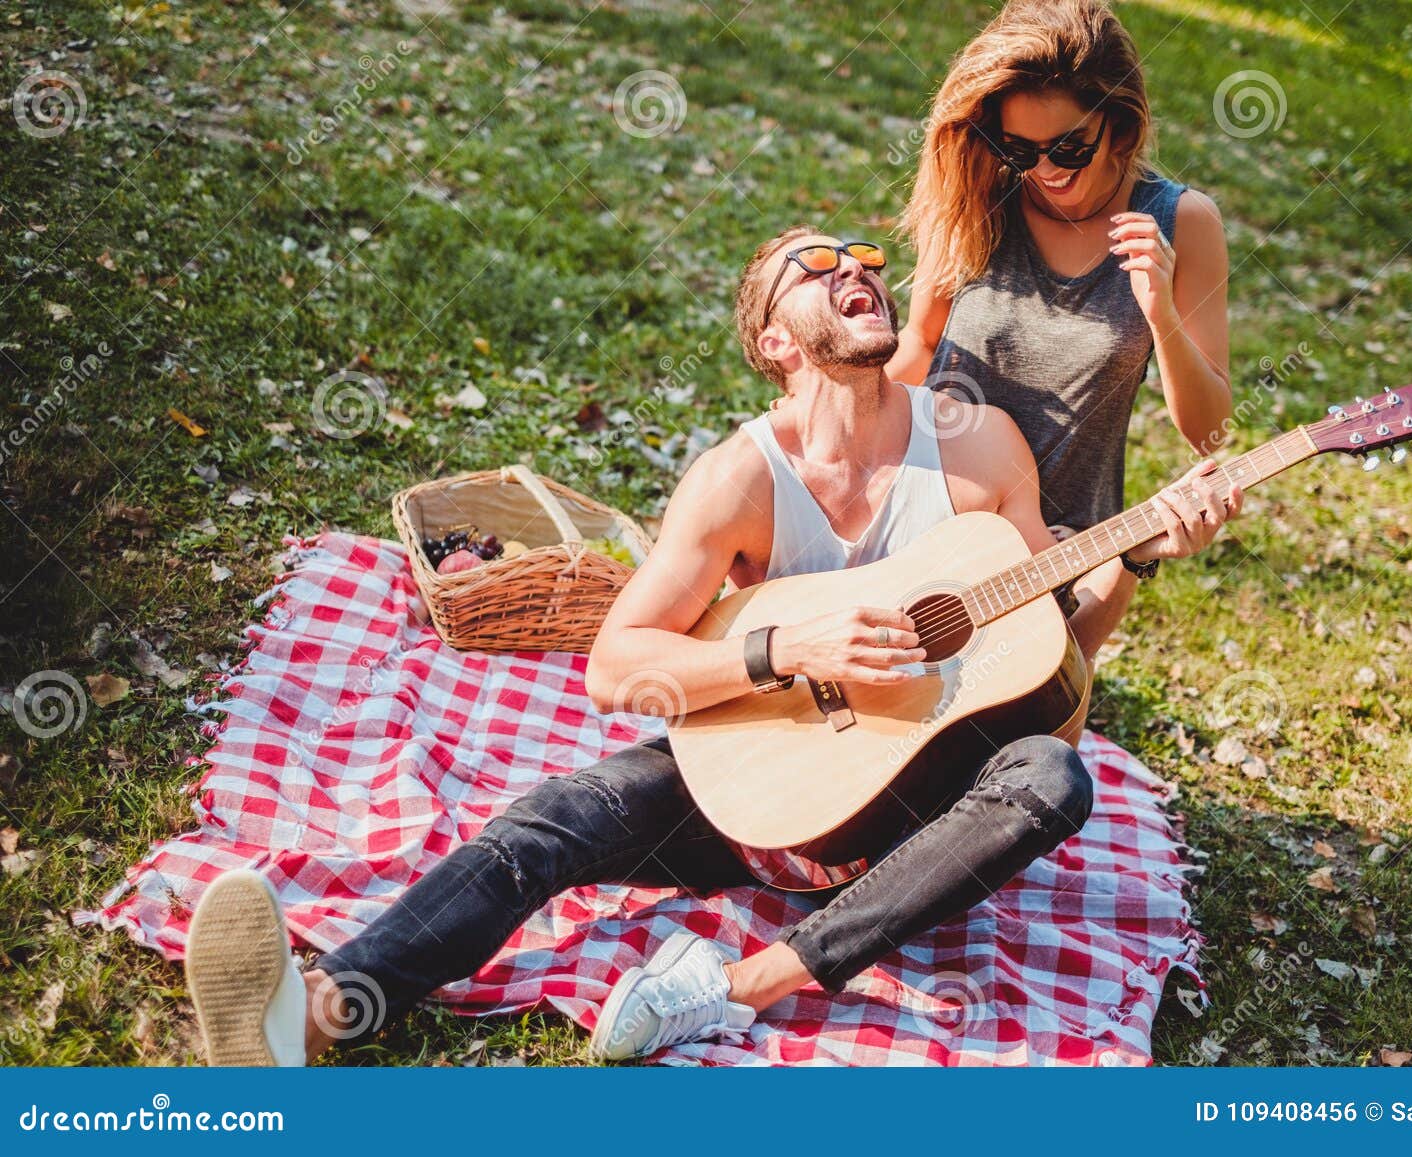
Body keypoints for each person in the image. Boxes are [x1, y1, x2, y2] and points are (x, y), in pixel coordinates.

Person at [183, 227, 1240, 1066]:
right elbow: (617, 666)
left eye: (861, 259)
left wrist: (1134, 560)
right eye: (813, 266)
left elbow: (1054, 670)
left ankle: (735, 987)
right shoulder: (739, 479)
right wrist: (788, 644)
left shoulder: (978, 448)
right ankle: (307, 1019)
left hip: (922, 801)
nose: (854, 270)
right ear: (775, 342)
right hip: (764, 785)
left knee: (1054, 773)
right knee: (548, 819)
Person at [887, 0, 1233, 662]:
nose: (1045, 170)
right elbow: (921, 346)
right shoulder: (980, 188)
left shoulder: (1185, 222)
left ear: (1120, 124)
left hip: (1053, 572)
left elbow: (1210, 433)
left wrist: (1159, 311)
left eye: (1070, 147)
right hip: (916, 532)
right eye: (1021, 149)